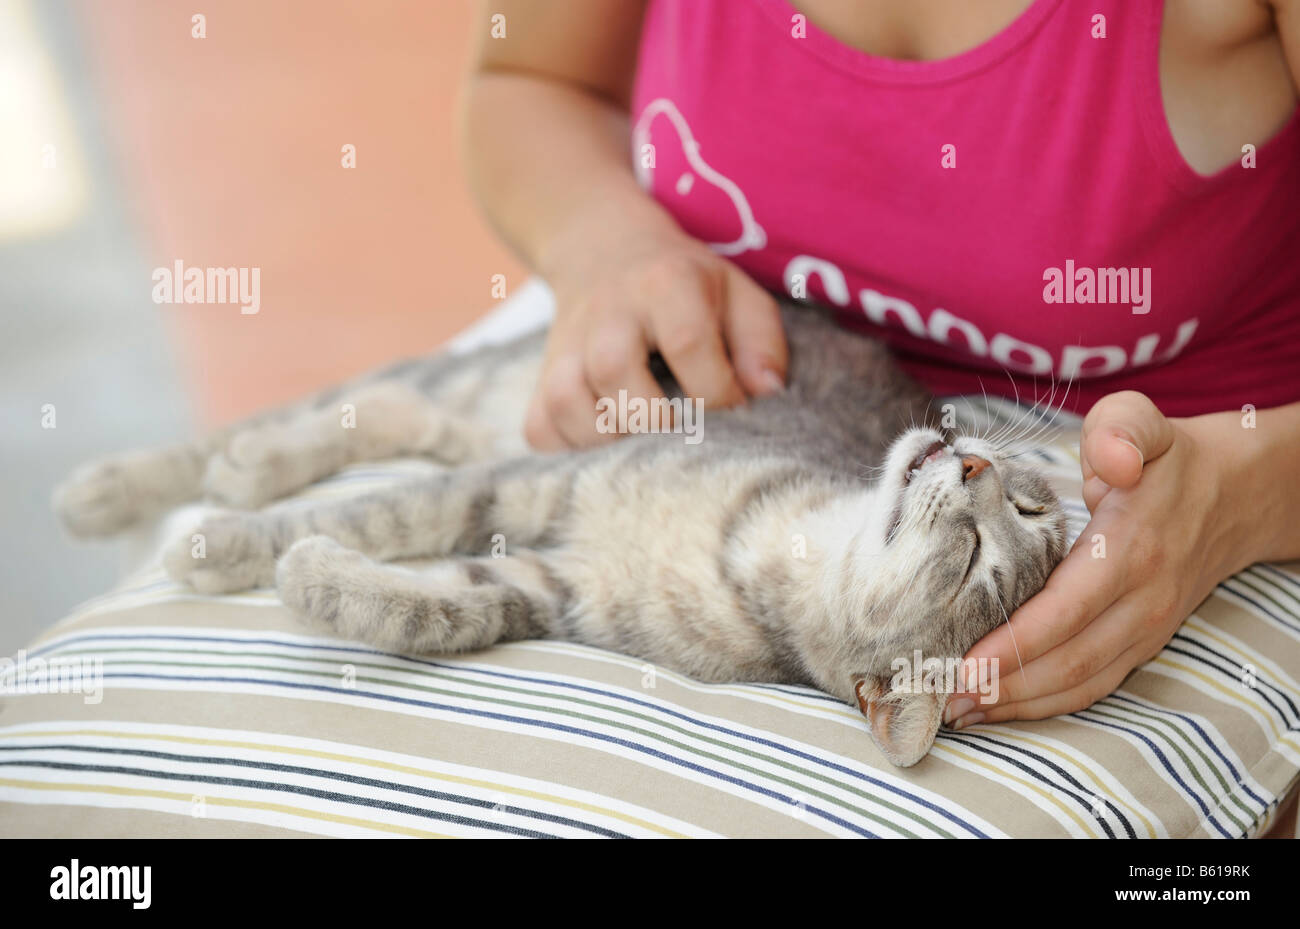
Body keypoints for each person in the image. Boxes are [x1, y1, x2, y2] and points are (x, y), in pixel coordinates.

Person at [461, 0, 1300, 727]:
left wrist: (1241, 498)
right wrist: (608, 244)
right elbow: (530, 79)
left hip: (1194, 513)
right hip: (744, 432)